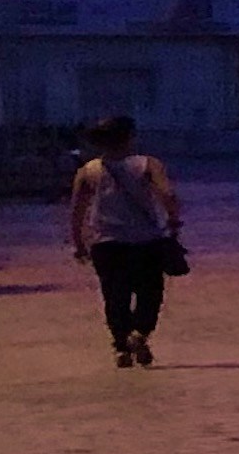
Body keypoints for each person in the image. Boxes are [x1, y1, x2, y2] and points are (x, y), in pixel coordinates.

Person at [66, 114, 181, 368]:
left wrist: (78, 243)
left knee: (114, 295)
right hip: (146, 241)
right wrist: (173, 222)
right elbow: (168, 194)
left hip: (105, 243)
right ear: (130, 137)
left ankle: (121, 348)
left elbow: (77, 211)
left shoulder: (88, 171)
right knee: (150, 292)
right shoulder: (148, 164)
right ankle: (139, 333)